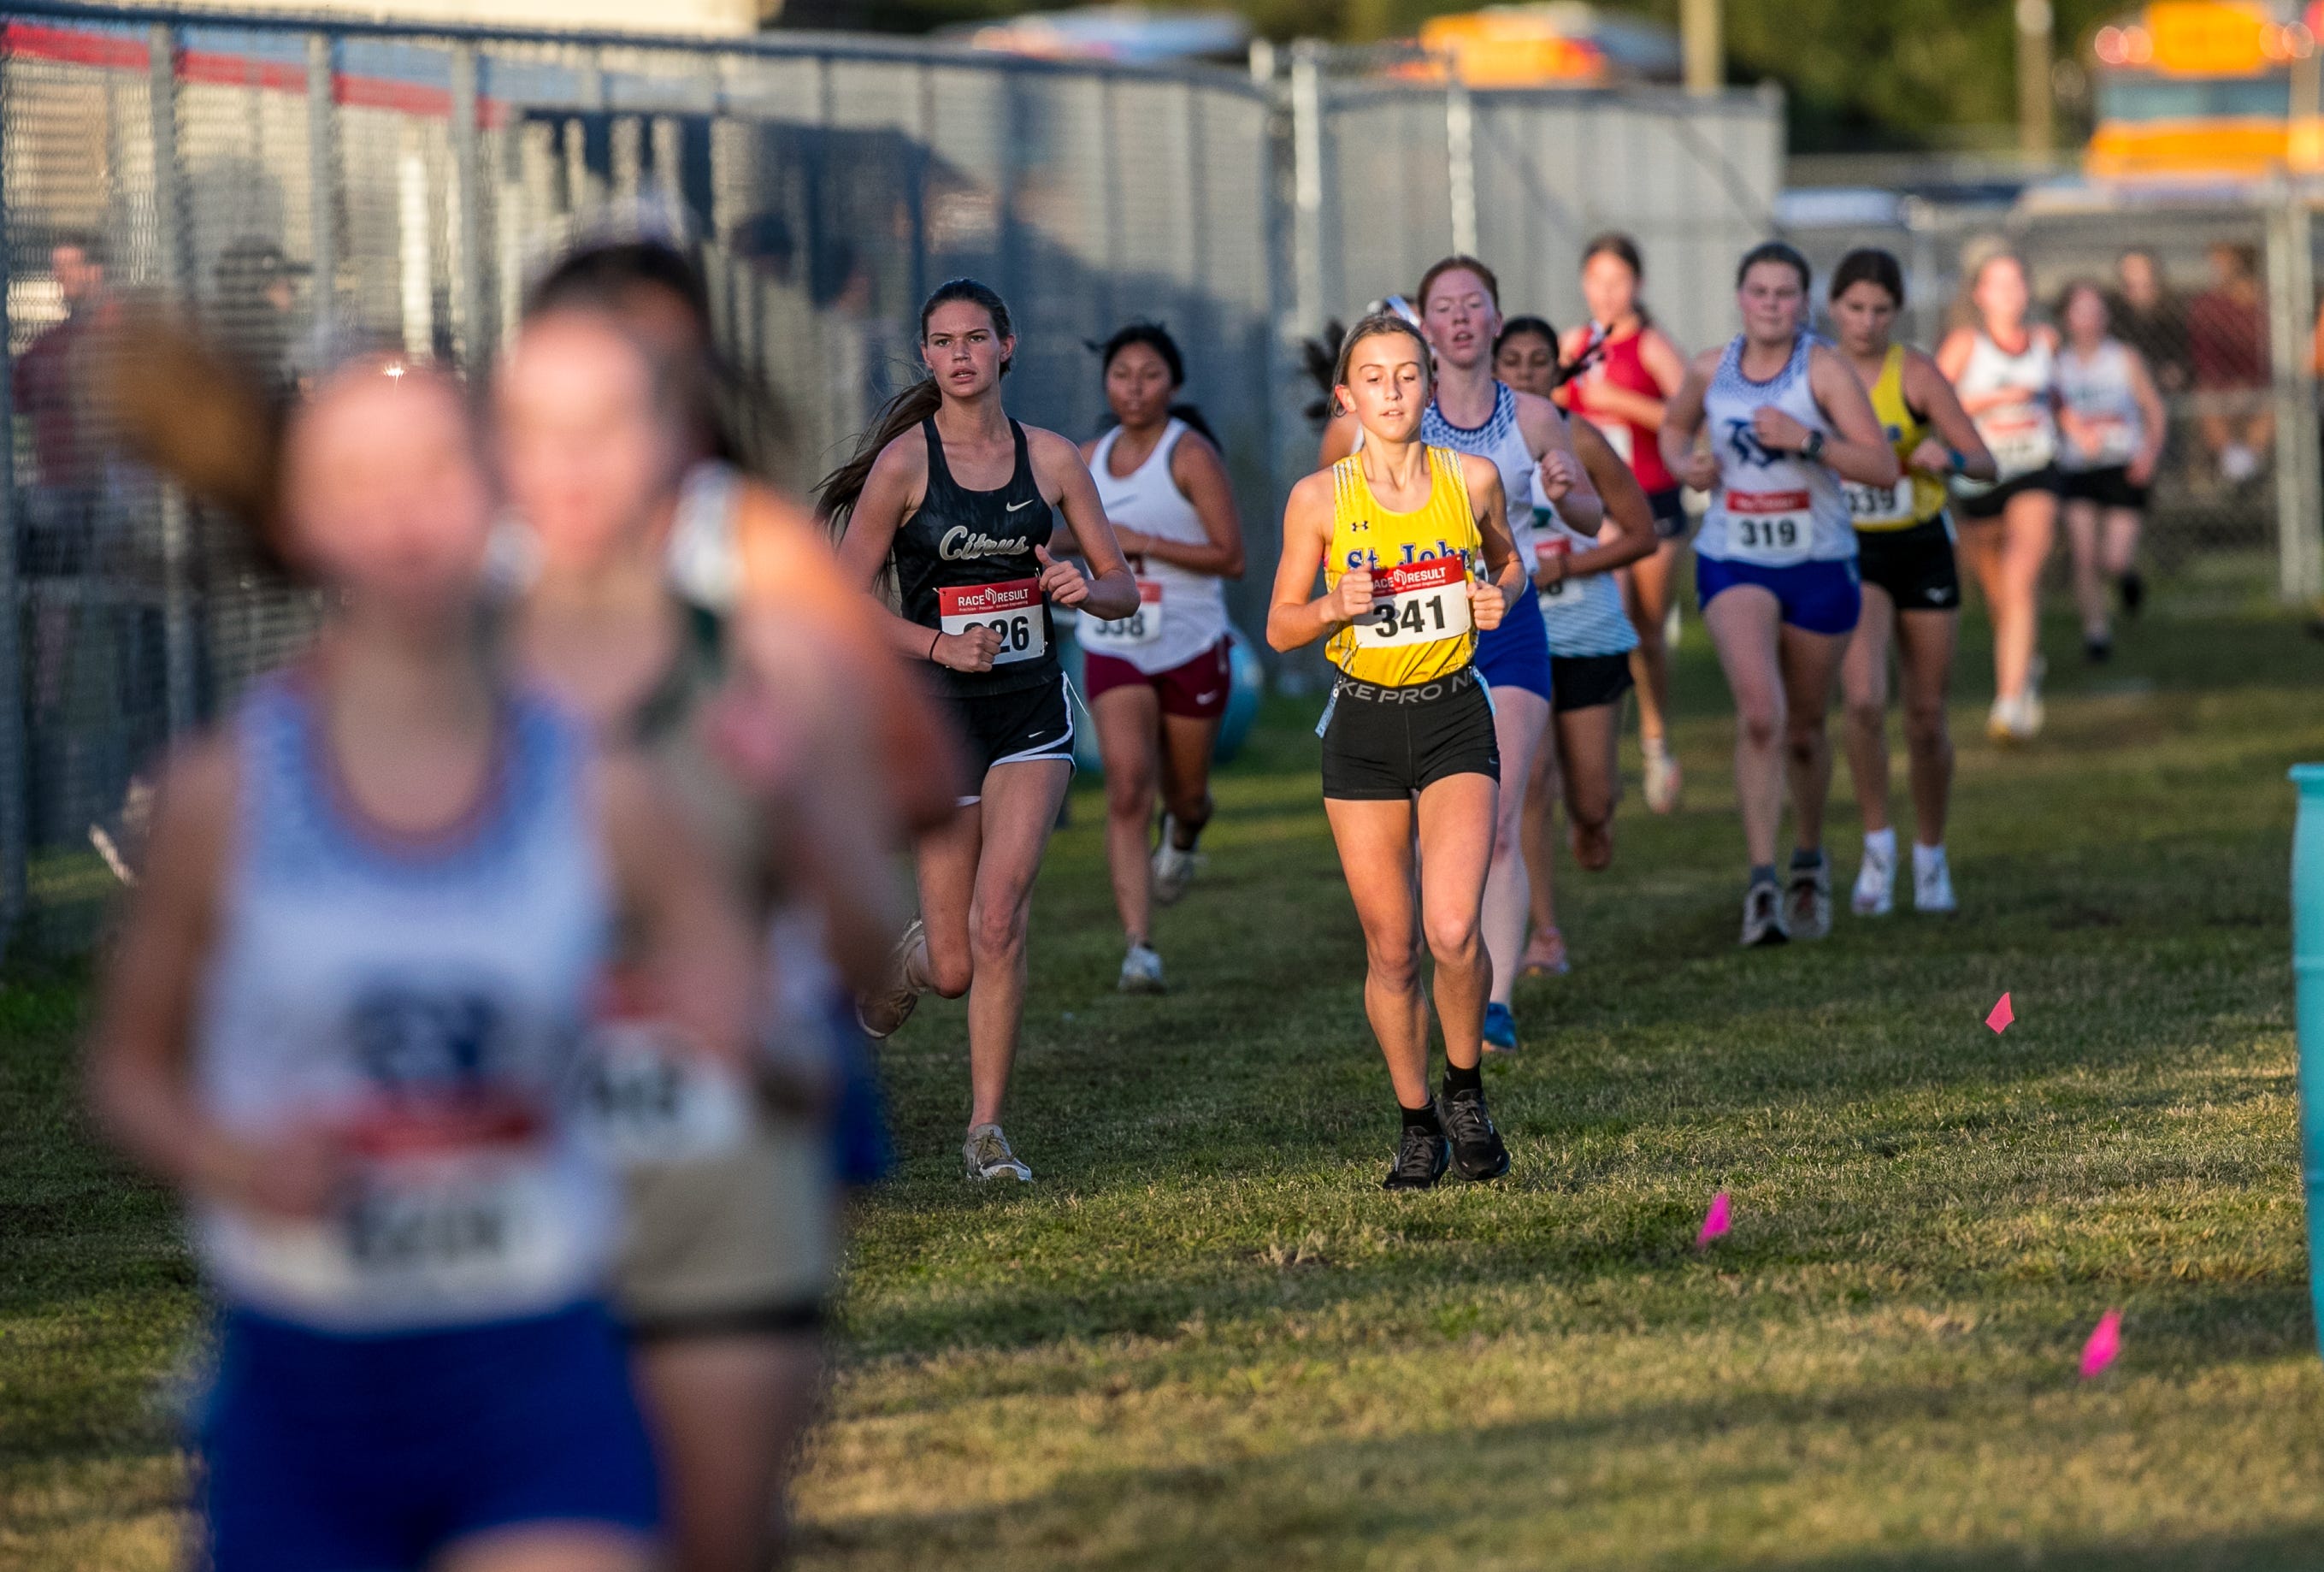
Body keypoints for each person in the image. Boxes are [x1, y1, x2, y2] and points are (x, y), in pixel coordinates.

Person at [86, 351, 761, 1572]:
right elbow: (127, 1071)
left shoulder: (602, 788)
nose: (401, 512)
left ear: (494, 492)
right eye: (359, 479)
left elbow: (727, 999)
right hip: (304, 1378)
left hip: (534, 1361)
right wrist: (229, 1154)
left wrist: (668, 1041)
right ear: (299, 518)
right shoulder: (220, 792)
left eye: (435, 470)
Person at [496, 298, 917, 1572]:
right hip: (508, 1187)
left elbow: (862, 946)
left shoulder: (762, 643)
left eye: (606, 430)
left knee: (713, 1532)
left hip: (720, 1170)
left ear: (673, 446)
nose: (570, 468)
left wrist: (793, 803)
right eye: (535, 432)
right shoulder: (441, 656)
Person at [823, 279, 1138, 1184]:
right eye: (943, 341)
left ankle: (986, 1131)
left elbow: (1119, 583)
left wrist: (1085, 584)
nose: (961, 355)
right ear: (927, 356)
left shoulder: (1055, 461)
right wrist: (934, 644)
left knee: (1000, 918)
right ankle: (909, 962)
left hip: (1032, 714)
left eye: (975, 339)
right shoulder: (904, 467)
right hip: (939, 722)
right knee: (954, 962)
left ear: (1008, 346)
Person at [1267, 311, 1525, 1187]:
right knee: (1392, 951)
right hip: (1365, 726)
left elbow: (1510, 565)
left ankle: (1465, 1087)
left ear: (1430, 385)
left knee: (1453, 929)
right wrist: (1334, 606)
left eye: (1407, 375)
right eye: (1372, 377)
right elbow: (1278, 626)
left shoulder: (1474, 478)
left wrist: (1498, 596)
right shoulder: (1319, 499)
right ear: (1346, 395)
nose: (1391, 391)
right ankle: (1417, 1120)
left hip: (1454, 713)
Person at [1319, 257, 1601, 1054]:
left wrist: (1566, 481)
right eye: (1445, 306)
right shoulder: (1387, 408)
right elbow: (1325, 518)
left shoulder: (1535, 416)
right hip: (1401, 646)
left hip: (1502, 629)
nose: (1463, 318)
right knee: (1416, 836)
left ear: (1498, 318)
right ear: (1423, 323)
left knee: (1502, 816)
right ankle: (1418, 969)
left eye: (1477, 303)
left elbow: (1585, 514)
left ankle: (1498, 999)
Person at [1660, 241, 1899, 946]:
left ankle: (1808, 855)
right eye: (1759, 292)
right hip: (1735, 559)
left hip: (1820, 562)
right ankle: (1762, 881)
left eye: (1785, 293)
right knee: (1759, 714)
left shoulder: (1823, 370)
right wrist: (1687, 466)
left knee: (1802, 726)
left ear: (1805, 302)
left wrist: (1809, 441)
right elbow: (1673, 428)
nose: (1771, 305)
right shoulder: (1711, 369)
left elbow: (1882, 465)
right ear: (1741, 298)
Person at [1076, 322, 1246, 994]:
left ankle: (1184, 837)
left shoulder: (1190, 455)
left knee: (1188, 795)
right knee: (1125, 786)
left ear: (1172, 384)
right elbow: (1062, 528)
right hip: (1112, 641)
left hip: (1190, 640)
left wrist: (1142, 539)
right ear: (1105, 382)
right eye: (1121, 375)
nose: (1134, 388)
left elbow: (1232, 558)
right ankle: (1139, 948)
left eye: (1149, 375)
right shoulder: (1086, 456)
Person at [1826, 249, 1994, 919]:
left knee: (1926, 717)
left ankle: (1931, 855)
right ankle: (1877, 846)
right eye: (1854, 308)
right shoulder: (1816, 374)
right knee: (1864, 701)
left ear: (1896, 313)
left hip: (1921, 547)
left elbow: (1980, 460)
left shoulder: (1915, 373)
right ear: (1834, 307)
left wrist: (1945, 457)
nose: (1866, 322)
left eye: (1880, 310)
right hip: (1850, 548)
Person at [1493, 315, 1656, 978]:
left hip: (1589, 631)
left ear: (1557, 373)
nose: (1527, 372)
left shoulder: (1579, 438)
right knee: (1531, 783)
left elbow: (1640, 533)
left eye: (1539, 362)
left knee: (1588, 802)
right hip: (1517, 637)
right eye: (1515, 361)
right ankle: (1545, 932)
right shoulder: (1478, 451)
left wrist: (1567, 569)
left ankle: (1594, 819)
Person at [1558, 233, 1691, 814]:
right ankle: (1598, 755)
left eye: (1617, 282)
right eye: (1597, 282)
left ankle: (1657, 741)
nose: (1606, 294)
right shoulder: (1572, 342)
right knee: (1606, 622)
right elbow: (1548, 405)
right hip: (1593, 512)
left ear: (1636, 284)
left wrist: (1618, 400)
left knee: (1648, 630)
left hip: (1654, 502)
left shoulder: (1653, 345)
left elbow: (1689, 416)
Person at [1938, 251, 2060, 744]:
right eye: (1998, 283)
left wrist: (2080, 430)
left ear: (2027, 291)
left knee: (2020, 578)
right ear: (1980, 295)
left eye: (2016, 282)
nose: (2009, 292)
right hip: (1979, 477)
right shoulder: (1966, 344)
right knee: (1999, 598)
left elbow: (2059, 399)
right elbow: (1933, 401)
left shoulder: (2046, 342)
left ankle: (2008, 705)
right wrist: (1989, 401)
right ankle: (2024, 667)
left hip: (2035, 468)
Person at [2055, 280, 2167, 664]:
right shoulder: (2057, 362)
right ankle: (2096, 633)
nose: (2088, 319)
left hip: (2123, 465)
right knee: (2084, 555)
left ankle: (2128, 576)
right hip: (2078, 468)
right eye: (2079, 309)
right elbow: (2051, 410)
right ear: (2066, 316)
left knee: (2113, 559)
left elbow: (2154, 409)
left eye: (2095, 309)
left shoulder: (2123, 358)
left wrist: (2149, 455)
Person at [2187, 241, 2270, 485]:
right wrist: (2231, 386)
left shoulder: (2266, 304)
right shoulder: (2207, 305)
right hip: (2222, 386)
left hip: (2260, 384)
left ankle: (2250, 461)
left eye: (2221, 263)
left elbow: (2275, 356)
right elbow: (2205, 358)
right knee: (2206, 397)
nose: (2215, 270)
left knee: (2274, 400)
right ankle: (2233, 462)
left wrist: (2250, 384)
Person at [2113, 249, 2190, 395]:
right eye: (2129, 271)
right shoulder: (2115, 318)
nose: (2135, 277)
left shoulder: (2174, 317)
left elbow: (2183, 365)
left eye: (2139, 270)